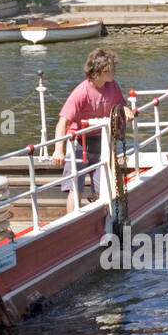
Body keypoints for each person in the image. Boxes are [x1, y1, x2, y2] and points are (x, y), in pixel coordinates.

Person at [52, 48, 134, 213]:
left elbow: (120, 104)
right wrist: (58, 150)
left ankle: (101, 222)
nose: (115, 71)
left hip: (100, 141)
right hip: (79, 143)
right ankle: (72, 222)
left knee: (102, 187)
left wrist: (125, 110)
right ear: (101, 71)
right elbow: (63, 121)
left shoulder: (112, 86)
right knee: (76, 188)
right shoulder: (81, 92)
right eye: (112, 68)